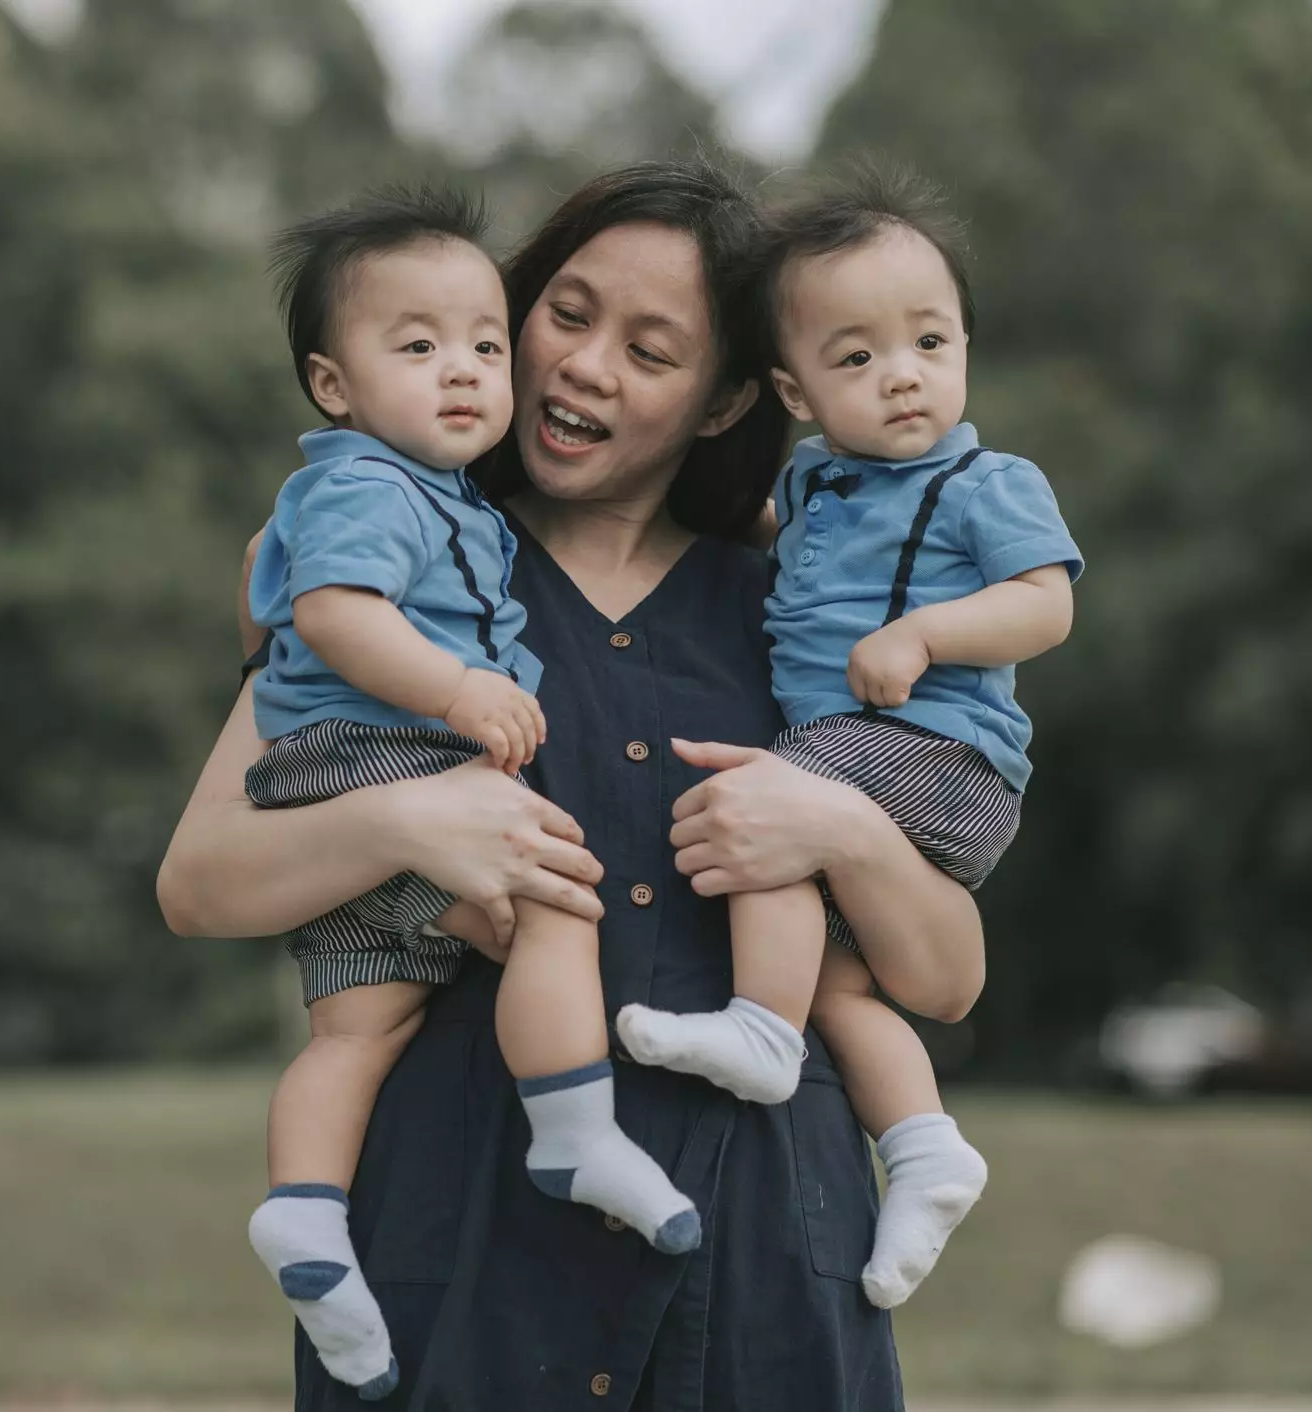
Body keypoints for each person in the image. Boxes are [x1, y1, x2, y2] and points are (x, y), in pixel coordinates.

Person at [162, 158, 988, 1411]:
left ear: (722, 404)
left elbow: (947, 976)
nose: (586, 365)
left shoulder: (803, 611)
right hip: (461, 1261)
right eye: (565, 312)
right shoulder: (385, 584)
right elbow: (197, 883)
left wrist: (841, 827)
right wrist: (403, 817)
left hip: (762, 1270)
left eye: (650, 351)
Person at [244, 186, 699, 1403]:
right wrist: (454, 695)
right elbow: (336, 613)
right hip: (371, 764)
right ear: (332, 384)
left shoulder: (410, 499)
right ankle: (574, 1127)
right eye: (417, 346)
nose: (464, 371)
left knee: (352, 1031)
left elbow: (281, 581)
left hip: (336, 781)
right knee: (548, 889)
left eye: (481, 345)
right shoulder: (375, 490)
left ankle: (301, 1214)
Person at [612, 165, 1080, 1310]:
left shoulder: (984, 480)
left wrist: (924, 634)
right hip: (862, 755)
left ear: (964, 342)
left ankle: (758, 1030)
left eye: (928, 341)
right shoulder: (820, 479)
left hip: (934, 750)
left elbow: (1046, 602)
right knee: (845, 985)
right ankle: (923, 1146)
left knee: (770, 808)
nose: (903, 376)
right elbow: (787, 545)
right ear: (796, 389)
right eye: (857, 357)